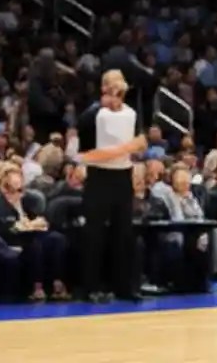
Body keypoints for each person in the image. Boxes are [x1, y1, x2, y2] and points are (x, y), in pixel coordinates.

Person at [78, 69, 147, 303]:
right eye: (113, 87)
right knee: (94, 235)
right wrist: (124, 149)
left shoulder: (132, 113)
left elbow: (141, 143)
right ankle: (91, 287)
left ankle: (124, 287)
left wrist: (134, 154)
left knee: (123, 234)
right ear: (104, 89)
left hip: (123, 176)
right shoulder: (91, 115)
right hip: (99, 177)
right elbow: (86, 155)